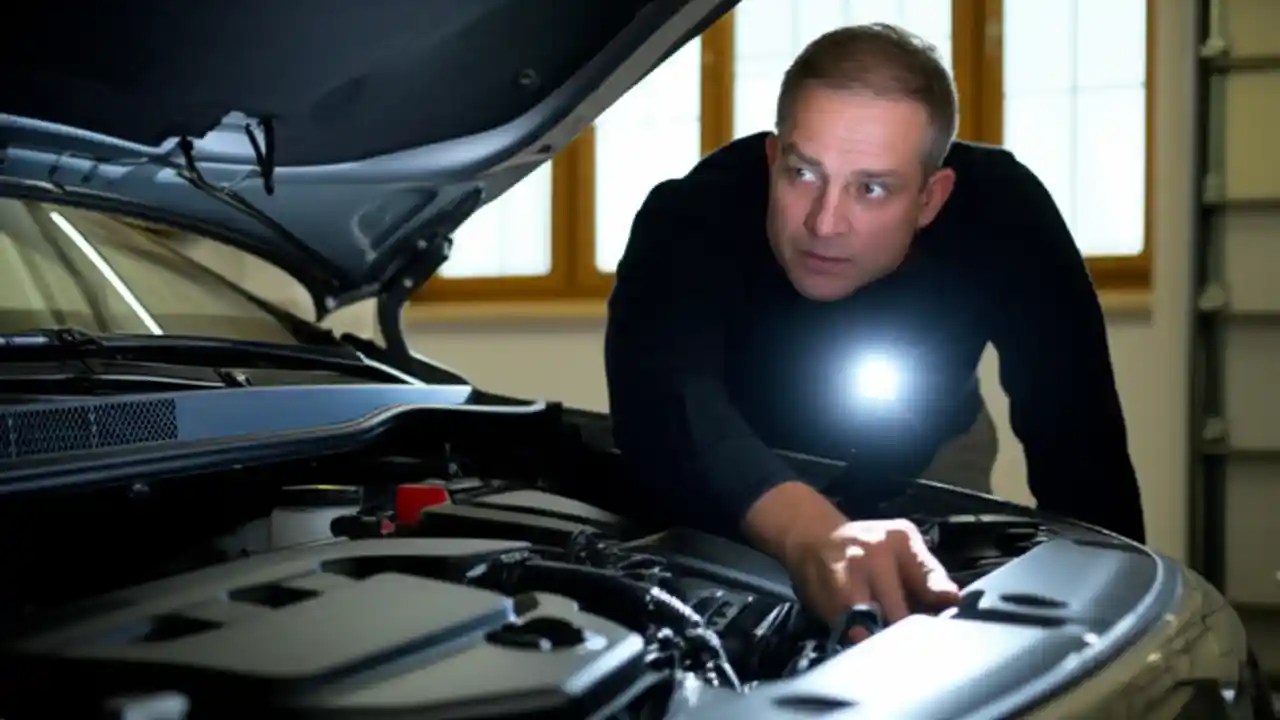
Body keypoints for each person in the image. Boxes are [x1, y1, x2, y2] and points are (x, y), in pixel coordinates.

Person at [603, 23, 1145, 638]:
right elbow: (668, 399)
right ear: (773, 158)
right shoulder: (691, 214)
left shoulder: (1004, 214)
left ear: (931, 199)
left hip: (929, 442)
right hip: (739, 453)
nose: (825, 223)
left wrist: (1120, 615)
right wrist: (815, 531)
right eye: (803, 174)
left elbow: (1078, 434)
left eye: (872, 188)